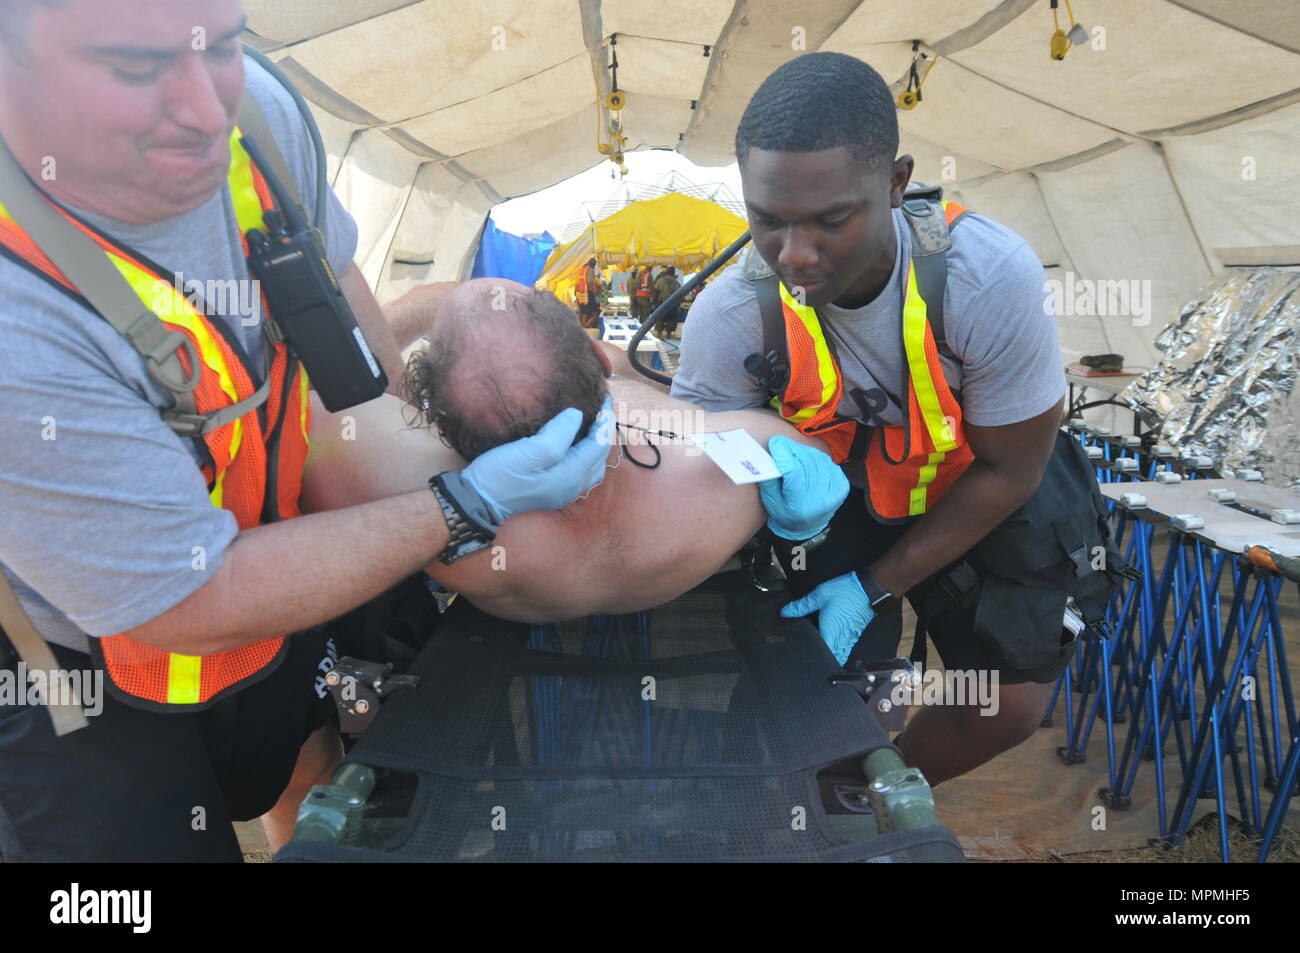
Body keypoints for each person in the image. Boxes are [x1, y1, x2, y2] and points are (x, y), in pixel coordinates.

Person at [0, 0, 608, 861]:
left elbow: (357, 349)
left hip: (269, 564)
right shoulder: (17, 323)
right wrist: (461, 504)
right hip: (82, 665)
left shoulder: (260, 117)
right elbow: (188, 600)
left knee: (301, 765)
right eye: (137, 69)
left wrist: (432, 421)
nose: (208, 109)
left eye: (222, 44)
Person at [671, 52, 1123, 787]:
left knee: (1007, 704)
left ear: (895, 182)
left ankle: (879, 791)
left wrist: (876, 583)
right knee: (843, 701)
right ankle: (833, 784)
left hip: (976, 478)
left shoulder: (986, 277)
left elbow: (1015, 467)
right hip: (830, 498)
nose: (796, 255)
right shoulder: (731, 313)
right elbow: (696, 462)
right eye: (767, 219)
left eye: (830, 220)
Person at [303, 278, 848, 620]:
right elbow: (806, 470)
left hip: (518, 602)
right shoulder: (744, 456)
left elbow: (320, 387)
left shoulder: (404, 494)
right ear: (599, 358)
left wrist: (429, 306)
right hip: (675, 566)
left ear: (433, 419)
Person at [652, 265, 682, 337]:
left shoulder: (660, 280)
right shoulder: (676, 283)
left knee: (660, 318)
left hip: (662, 302)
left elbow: (656, 292)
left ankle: (659, 333)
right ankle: (669, 334)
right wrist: (677, 304)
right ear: (673, 273)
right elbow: (679, 296)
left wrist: (654, 302)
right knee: (671, 319)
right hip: (672, 304)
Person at [576, 256, 601, 329]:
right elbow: (590, 283)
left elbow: (578, 283)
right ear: (593, 264)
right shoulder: (590, 270)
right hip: (589, 293)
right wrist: (594, 293)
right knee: (595, 311)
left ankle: (584, 326)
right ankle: (587, 325)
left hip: (582, 294)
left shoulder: (582, 270)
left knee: (584, 311)